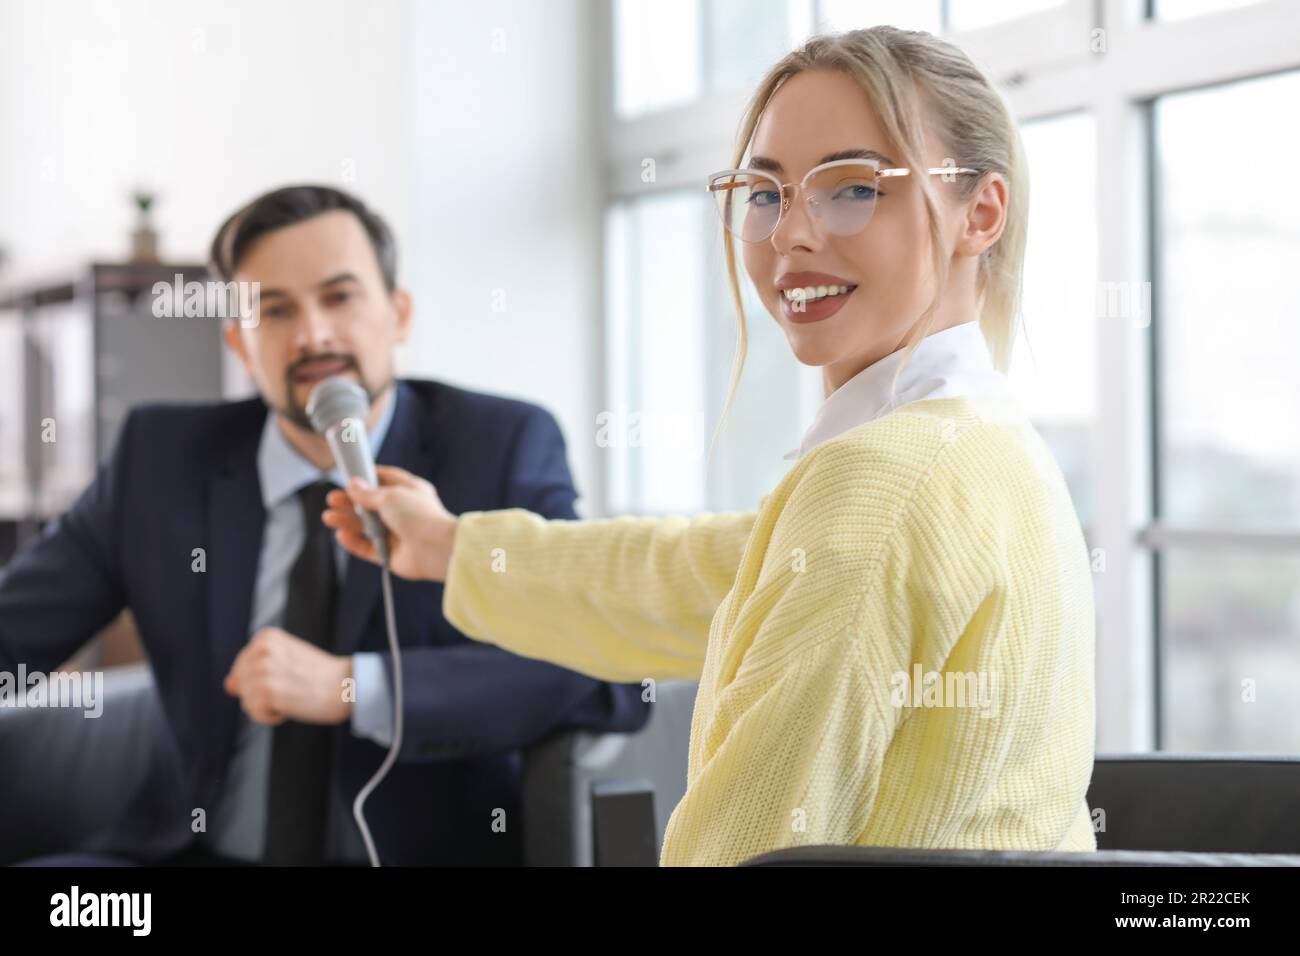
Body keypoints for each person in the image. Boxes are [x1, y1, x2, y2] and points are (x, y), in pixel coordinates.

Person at [323, 27, 1098, 867]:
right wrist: (451, 546)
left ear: (979, 213)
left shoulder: (884, 482)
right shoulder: (989, 445)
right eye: (766, 193)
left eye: (852, 189)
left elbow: (745, 846)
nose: (791, 234)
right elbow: (691, 577)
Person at [0, 185, 649, 866]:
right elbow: (17, 628)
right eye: (275, 310)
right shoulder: (159, 458)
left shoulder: (499, 445)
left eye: (339, 298)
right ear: (240, 344)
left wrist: (354, 687)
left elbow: (601, 670)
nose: (312, 335)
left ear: (398, 315)